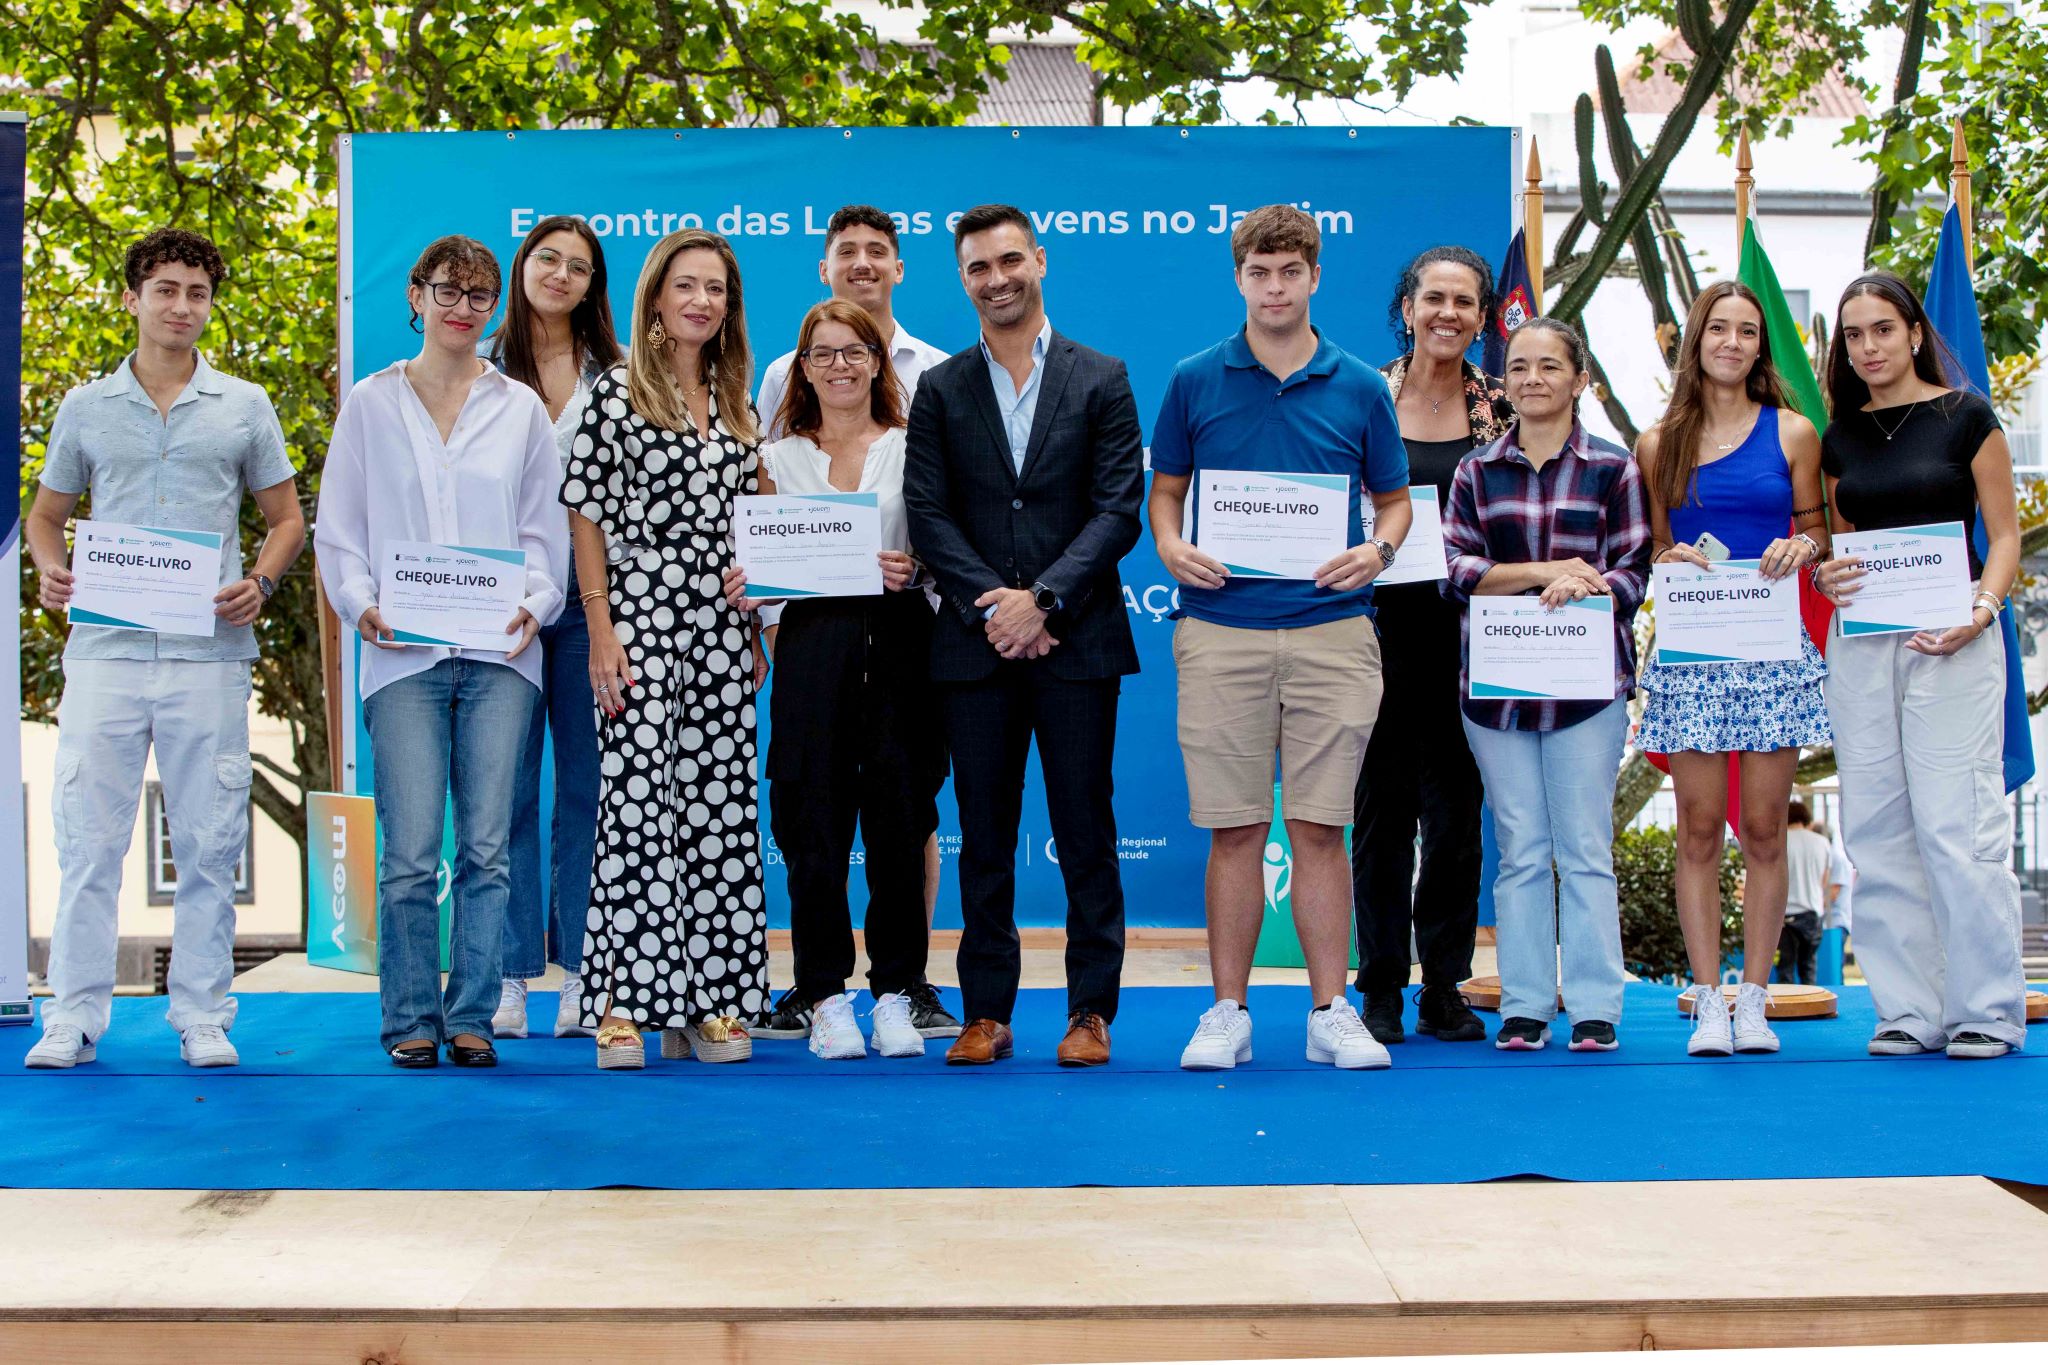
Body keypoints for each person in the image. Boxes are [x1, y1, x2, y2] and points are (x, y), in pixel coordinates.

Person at [23, 228, 304, 1071]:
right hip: (104, 655)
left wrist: (260, 581)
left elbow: (287, 519)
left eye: (197, 293)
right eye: (166, 290)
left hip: (207, 655)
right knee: (88, 841)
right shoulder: (85, 407)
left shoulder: (244, 404)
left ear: (209, 304)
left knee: (211, 842)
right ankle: (72, 1016)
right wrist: (51, 570)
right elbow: (46, 517)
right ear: (132, 298)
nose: (182, 306)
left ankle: (203, 1014)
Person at [1147, 205, 1410, 1073]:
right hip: (1221, 630)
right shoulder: (1194, 378)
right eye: (1259, 273)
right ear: (1239, 279)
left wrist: (1377, 551)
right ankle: (1228, 1010)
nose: (1274, 287)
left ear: (1315, 276)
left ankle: (1331, 1009)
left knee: (1322, 828)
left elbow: (1395, 502)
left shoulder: (1363, 386)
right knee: (1233, 829)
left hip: (1334, 630)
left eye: (1290, 272)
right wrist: (1171, 546)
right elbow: (1165, 491)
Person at [903, 204, 1144, 1067]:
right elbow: (928, 514)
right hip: (975, 649)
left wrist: (1041, 601)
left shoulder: (1102, 375)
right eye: (978, 267)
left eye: (1010, 260)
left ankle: (1090, 1011)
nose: (997, 278)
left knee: (1086, 831)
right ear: (962, 279)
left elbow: (1118, 509)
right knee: (984, 835)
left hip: (1077, 641)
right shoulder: (941, 388)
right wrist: (995, 608)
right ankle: (986, 1012)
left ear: (1039, 260)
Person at [316, 235, 565, 1068]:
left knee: (489, 848)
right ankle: (409, 1019)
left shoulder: (520, 408)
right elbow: (339, 527)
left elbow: (543, 529)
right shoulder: (370, 402)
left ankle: (473, 1016)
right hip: (402, 658)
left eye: (480, 295)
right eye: (448, 291)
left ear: (495, 307)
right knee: (410, 853)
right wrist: (360, 602)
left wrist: (536, 601)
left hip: (502, 656)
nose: (463, 308)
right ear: (416, 295)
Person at [563, 227, 770, 1070]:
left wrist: (755, 626)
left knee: (719, 807)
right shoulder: (614, 391)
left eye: (715, 288)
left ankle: (708, 1001)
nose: (701, 300)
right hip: (639, 615)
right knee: (637, 804)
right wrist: (600, 626)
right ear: (654, 296)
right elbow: (585, 509)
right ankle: (620, 1003)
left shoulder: (738, 400)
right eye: (686, 284)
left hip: (721, 627)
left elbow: (752, 525)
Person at [751, 203, 959, 1043]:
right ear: (801, 368)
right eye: (823, 354)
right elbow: (762, 571)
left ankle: (899, 988)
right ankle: (823, 992)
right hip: (812, 655)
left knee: (902, 820)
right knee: (812, 826)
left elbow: (947, 546)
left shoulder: (915, 445)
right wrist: (751, 585)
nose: (839, 365)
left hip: (903, 649)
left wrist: (918, 568)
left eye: (855, 352)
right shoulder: (773, 457)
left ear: (879, 361)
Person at [1812, 270, 2027, 1060]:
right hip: (1864, 641)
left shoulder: (1967, 415)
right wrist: (1826, 575)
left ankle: (1987, 1010)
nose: (1868, 346)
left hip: (1955, 636)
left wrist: (1982, 609)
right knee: (1876, 825)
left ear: (1912, 332)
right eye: (1853, 334)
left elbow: (2004, 536)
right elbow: (1840, 549)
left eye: (1882, 329)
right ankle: (1907, 1008)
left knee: (1957, 823)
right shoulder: (1840, 436)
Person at [1440, 317, 1650, 1053]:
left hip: (1587, 688)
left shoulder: (1614, 468)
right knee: (1521, 848)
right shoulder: (1475, 471)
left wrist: (1589, 587)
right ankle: (1526, 1003)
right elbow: (1457, 569)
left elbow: (1632, 570)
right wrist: (1544, 572)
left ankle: (1595, 1007)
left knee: (1584, 846)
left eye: (1550, 366)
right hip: (1496, 689)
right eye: (1520, 366)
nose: (1533, 379)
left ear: (1579, 379)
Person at [1632, 280, 1830, 1057]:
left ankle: (1754, 999)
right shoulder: (1658, 443)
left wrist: (1803, 544)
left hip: (1773, 651)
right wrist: (1666, 555)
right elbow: (1654, 546)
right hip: (1693, 653)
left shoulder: (1794, 432)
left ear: (1760, 346)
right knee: (1697, 828)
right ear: (1697, 339)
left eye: (1748, 331)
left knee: (1765, 830)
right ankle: (1708, 1000)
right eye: (1720, 328)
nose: (1733, 342)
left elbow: (1819, 534)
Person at [1351, 245, 1513, 1047]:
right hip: (1374, 634)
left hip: (1475, 640)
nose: (1448, 313)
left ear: (1483, 318)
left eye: (1465, 302)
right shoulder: (1360, 395)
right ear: (1407, 307)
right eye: (1434, 299)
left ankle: (1444, 983)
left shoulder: (1505, 409)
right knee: (1381, 815)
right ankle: (1381, 982)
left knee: (1456, 818)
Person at [486, 215, 624, 1042]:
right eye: (549, 259)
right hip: (496, 603)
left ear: (592, 284)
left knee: (587, 787)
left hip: (590, 602)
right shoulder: (479, 365)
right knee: (504, 790)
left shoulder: (620, 374)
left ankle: (580, 970)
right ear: (523, 267)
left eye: (579, 266)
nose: (561, 275)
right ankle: (507, 975)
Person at [1778, 801, 1830, 986]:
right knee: (1808, 968)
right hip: (1811, 911)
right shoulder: (1822, 842)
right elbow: (1824, 880)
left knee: (1785, 970)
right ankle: (1811, 1002)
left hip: (1783, 915)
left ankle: (1787, 1004)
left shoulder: (1779, 841)